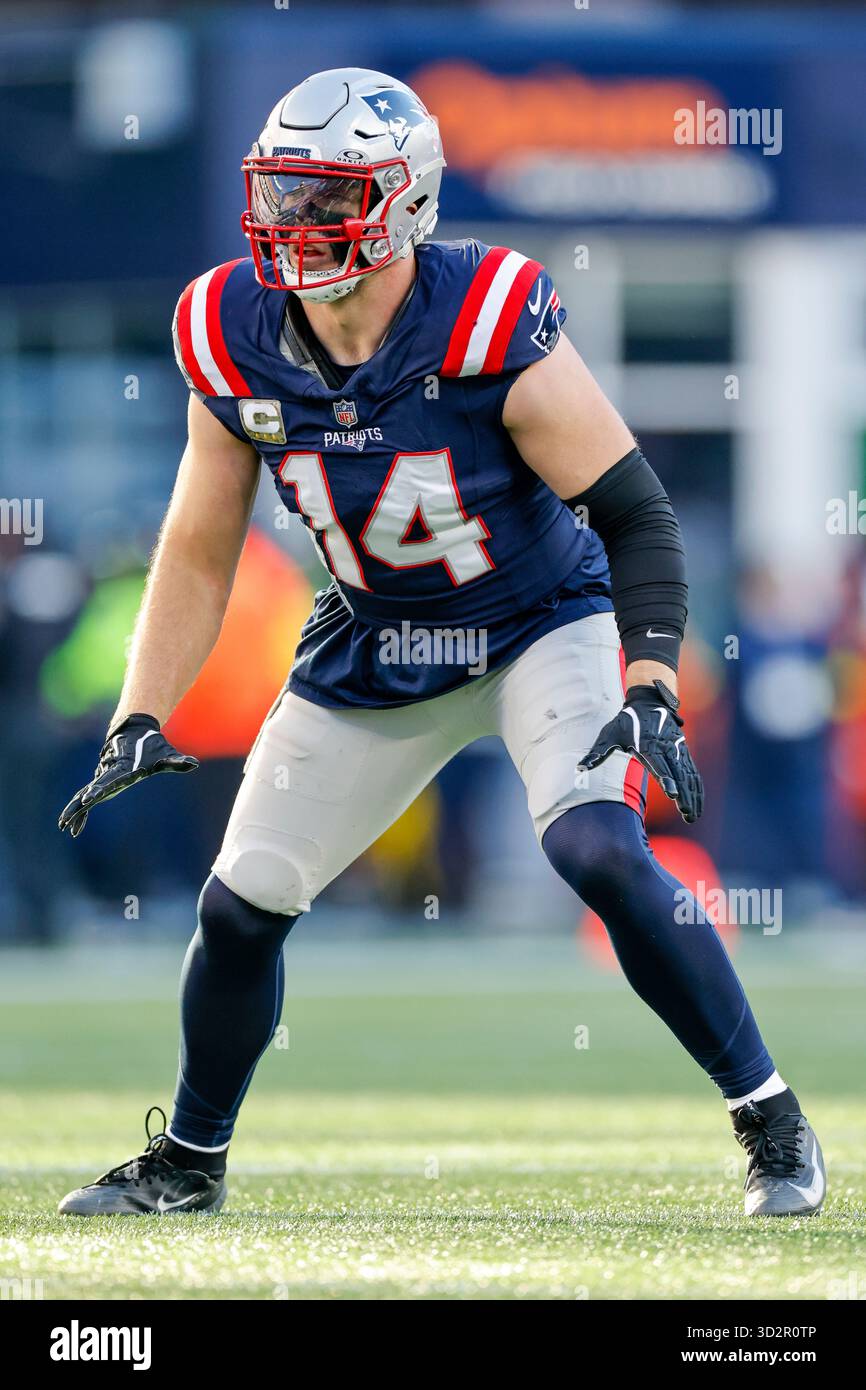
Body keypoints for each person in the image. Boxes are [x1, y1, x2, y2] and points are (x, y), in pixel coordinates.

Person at [57, 69, 824, 1218]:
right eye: (282, 193)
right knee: (239, 900)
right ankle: (191, 1163)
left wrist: (652, 678)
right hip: (374, 636)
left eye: (329, 197)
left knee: (599, 853)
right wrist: (139, 709)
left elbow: (634, 513)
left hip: (533, 621)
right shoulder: (226, 329)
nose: (295, 226)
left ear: (403, 202)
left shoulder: (483, 313)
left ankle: (771, 1123)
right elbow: (198, 547)